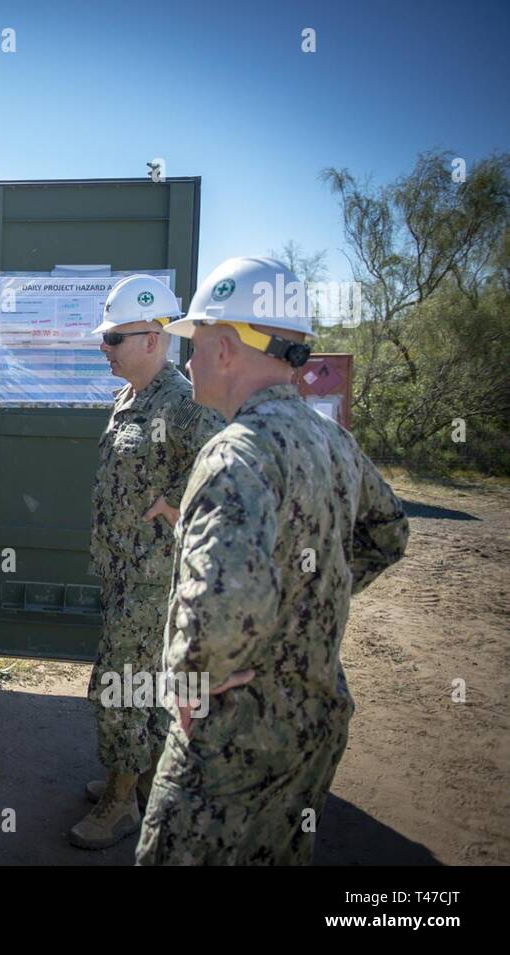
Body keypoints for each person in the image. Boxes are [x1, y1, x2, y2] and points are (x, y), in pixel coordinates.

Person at [136, 256, 409, 865]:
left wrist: (193, 676)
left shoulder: (236, 454)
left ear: (228, 348)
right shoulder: (330, 439)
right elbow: (387, 534)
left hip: (232, 738)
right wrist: (302, 605)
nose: (188, 361)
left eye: (197, 344)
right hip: (311, 722)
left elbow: (218, 610)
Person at [70, 275, 224, 850]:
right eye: (104, 338)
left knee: (120, 684)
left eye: (113, 338)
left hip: (153, 579)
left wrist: (173, 502)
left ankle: (119, 804)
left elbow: (223, 465)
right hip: (122, 570)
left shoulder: (183, 402)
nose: (103, 347)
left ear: (155, 337)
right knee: (142, 683)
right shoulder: (130, 398)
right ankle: (136, 784)